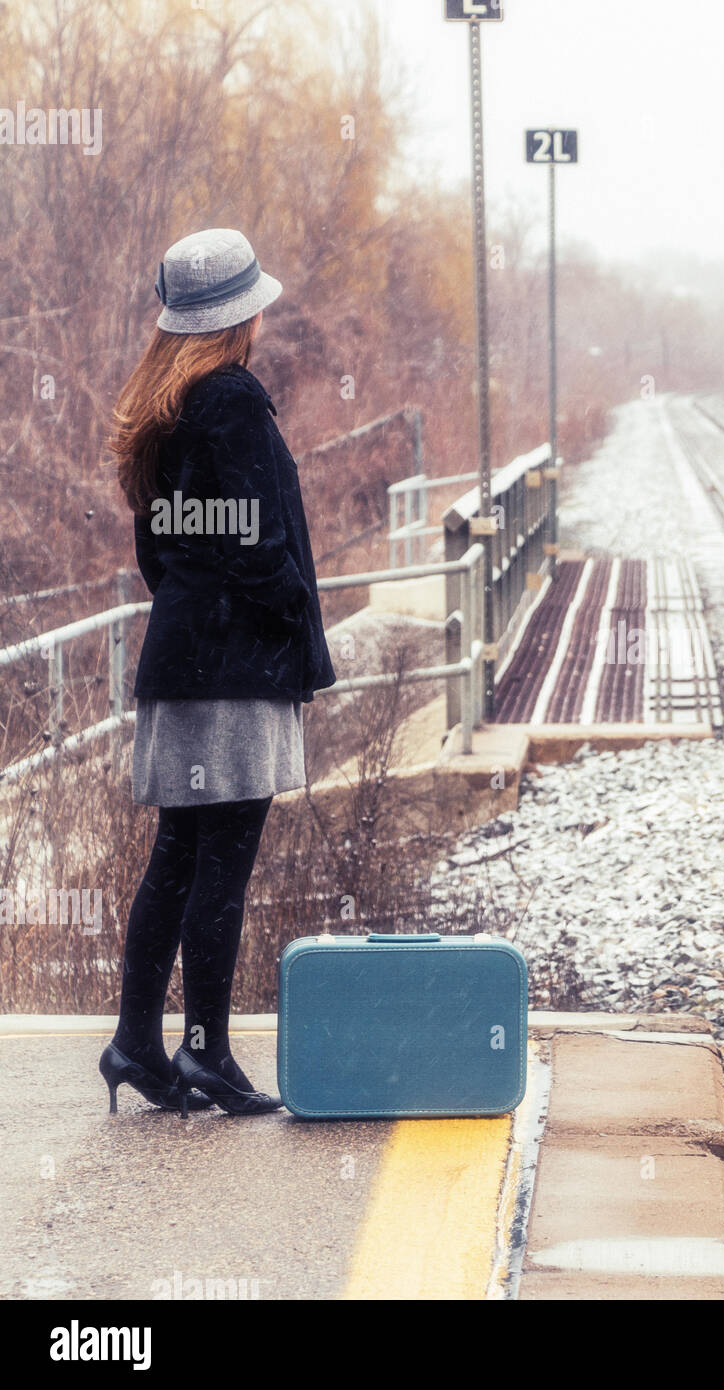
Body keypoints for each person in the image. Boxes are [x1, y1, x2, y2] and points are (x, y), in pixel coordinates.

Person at [102, 228, 336, 1117]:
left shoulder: (160, 411)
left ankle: (137, 1042)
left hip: (183, 657)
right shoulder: (231, 398)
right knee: (221, 866)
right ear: (241, 316)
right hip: (235, 667)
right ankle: (205, 1053)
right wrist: (294, 611)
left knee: (179, 856)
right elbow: (258, 545)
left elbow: (162, 555)